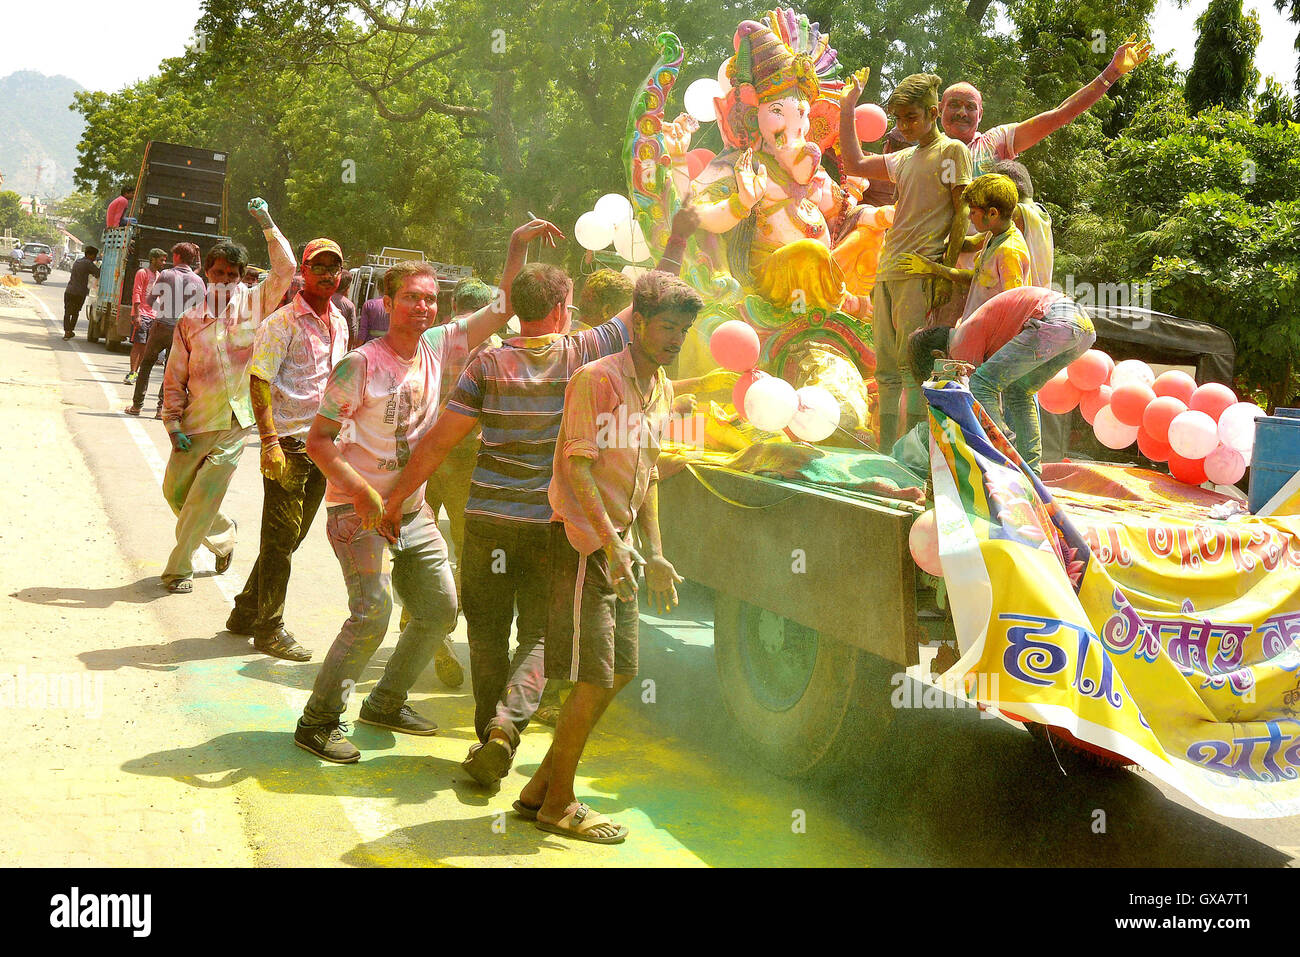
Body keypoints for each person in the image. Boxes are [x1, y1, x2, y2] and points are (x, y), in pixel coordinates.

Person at [293, 217, 562, 764]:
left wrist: (514, 245)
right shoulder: (359, 365)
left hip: (410, 512)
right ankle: (318, 720)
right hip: (358, 512)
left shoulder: (439, 347)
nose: (422, 307)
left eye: (429, 299)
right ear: (387, 303)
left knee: (440, 610)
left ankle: (386, 701)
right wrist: (367, 496)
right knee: (371, 613)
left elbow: (503, 307)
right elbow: (319, 443)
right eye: (411, 298)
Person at [510, 270, 698, 844]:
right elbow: (576, 466)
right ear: (637, 323)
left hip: (623, 551)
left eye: (684, 331)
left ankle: (539, 789)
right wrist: (614, 546)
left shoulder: (661, 387)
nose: (674, 340)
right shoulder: (597, 379)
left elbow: (648, 476)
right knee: (591, 678)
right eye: (667, 327)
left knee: (619, 672)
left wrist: (655, 552)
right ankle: (558, 806)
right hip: (583, 546)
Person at [158, 198, 294, 593]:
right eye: (218, 273)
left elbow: (285, 269)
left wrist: (268, 222)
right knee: (175, 493)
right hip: (196, 421)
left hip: (235, 424)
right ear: (207, 273)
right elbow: (174, 377)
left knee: (201, 496)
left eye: (232, 275)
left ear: (241, 278)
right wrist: (171, 420)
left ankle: (178, 569)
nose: (224, 280)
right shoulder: (189, 321)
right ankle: (222, 533)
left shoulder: (255, 305)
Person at [226, 239, 351, 661]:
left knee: (290, 538)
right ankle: (269, 628)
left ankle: (245, 611)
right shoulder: (282, 323)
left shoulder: (340, 321)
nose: (327, 274)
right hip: (288, 446)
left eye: (334, 267)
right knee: (280, 540)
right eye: (319, 266)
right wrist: (268, 443)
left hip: (322, 447)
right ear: (304, 269)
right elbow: (259, 380)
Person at [838, 70, 973, 449]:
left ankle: (911, 451)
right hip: (887, 270)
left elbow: (961, 211)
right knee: (885, 369)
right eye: (898, 119)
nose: (903, 126)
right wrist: (847, 107)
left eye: (910, 117)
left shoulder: (952, 151)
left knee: (913, 367)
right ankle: (886, 450)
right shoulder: (906, 157)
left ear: (933, 113)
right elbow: (854, 163)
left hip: (920, 271)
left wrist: (946, 272)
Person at [907, 286, 1096, 472]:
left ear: (939, 354)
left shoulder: (960, 343)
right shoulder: (974, 332)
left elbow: (975, 396)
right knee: (1019, 391)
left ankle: (1003, 457)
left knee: (980, 384)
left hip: (1057, 320)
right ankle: (1031, 470)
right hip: (1082, 327)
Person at [939, 36, 1154, 177]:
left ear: (980, 114)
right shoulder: (917, 153)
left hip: (989, 248)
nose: (961, 112)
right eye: (954, 105)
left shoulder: (996, 141)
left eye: (970, 107)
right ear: (939, 110)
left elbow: (1060, 115)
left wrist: (1111, 73)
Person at [899, 173, 1031, 322]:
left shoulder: (1009, 252)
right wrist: (932, 266)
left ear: (992, 213)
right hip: (978, 326)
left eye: (973, 212)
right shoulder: (993, 236)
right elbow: (976, 279)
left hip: (993, 334)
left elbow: (1014, 308)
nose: (969, 217)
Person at [991, 160, 1053, 289]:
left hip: (1025, 297)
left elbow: (976, 242)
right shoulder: (1041, 212)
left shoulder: (1016, 212)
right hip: (1040, 295)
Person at [125, 248, 167, 383]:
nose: (164, 263)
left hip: (154, 316)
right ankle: (132, 373)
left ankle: (139, 374)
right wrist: (136, 314)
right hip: (142, 314)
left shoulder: (159, 276)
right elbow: (136, 293)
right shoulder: (142, 273)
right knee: (139, 345)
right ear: (153, 259)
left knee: (148, 347)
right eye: (161, 260)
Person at [63, 246, 100, 340]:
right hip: (79, 292)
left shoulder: (77, 261)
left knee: (67, 312)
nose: (95, 258)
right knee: (75, 313)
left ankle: (67, 331)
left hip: (69, 290)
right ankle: (70, 330)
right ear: (89, 255)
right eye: (94, 256)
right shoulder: (88, 263)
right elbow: (98, 273)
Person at [332, 268, 357, 348]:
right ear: (347, 287)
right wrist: (348, 348)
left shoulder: (324, 298)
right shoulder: (349, 305)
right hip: (340, 345)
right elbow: (352, 330)